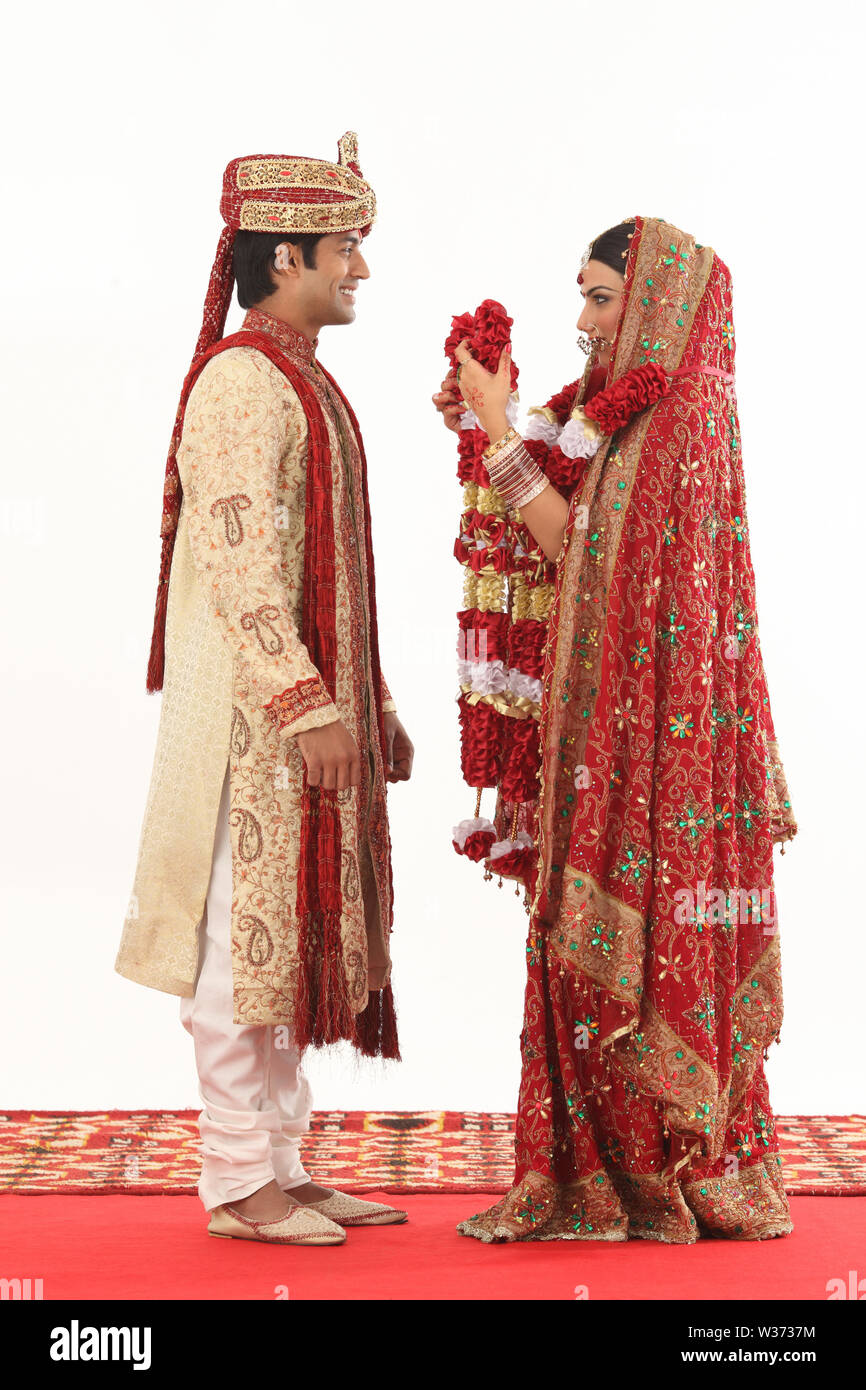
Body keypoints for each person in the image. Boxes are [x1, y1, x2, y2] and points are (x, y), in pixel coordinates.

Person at [433, 216, 798, 1243]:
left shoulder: (664, 435)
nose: (585, 321)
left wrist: (500, 434)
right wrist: (504, 423)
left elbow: (572, 546)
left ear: (657, 310)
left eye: (601, 299)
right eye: (585, 296)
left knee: (600, 946)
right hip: (607, 743)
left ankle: (630, 1169)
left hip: (634, 764)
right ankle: (632, 1158)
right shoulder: (627, 419)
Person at [116, 132, 414, 1246]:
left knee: (290, 940)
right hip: (255, 724)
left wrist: (368, 702)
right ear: (286, 256)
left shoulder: (305, 384)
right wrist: (306, 703)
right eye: (346, 248)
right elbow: (243, 563)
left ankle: (282, 1161)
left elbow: (330, 572)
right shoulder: (244, 384)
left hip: (304, 721)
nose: (360, 270)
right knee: (242, 944)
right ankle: (237, 1180)